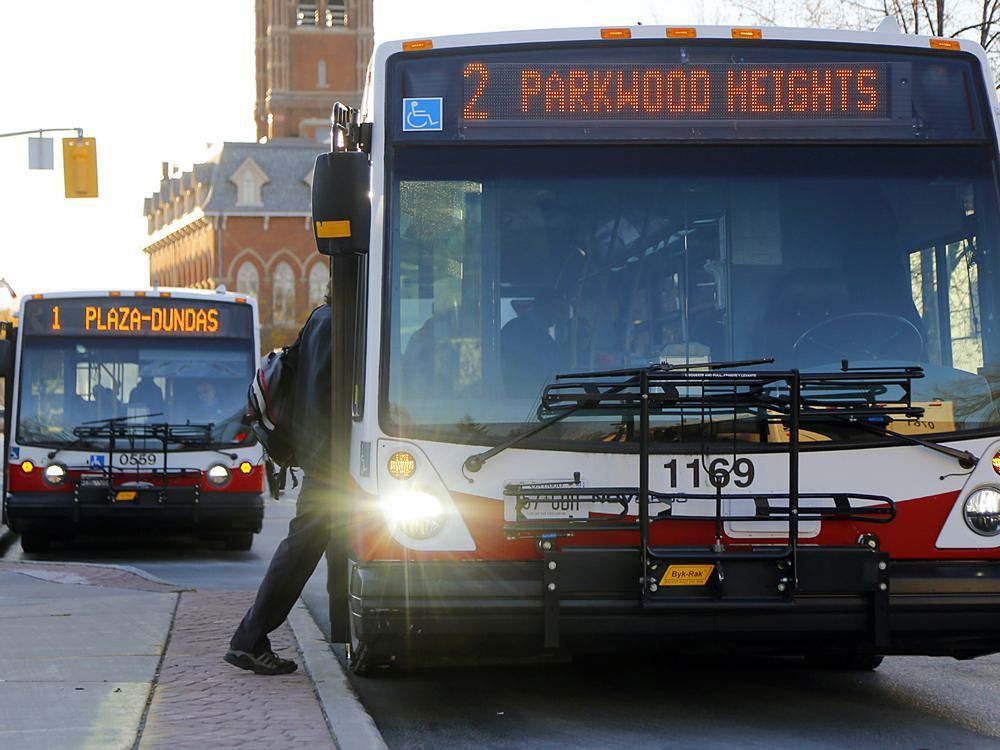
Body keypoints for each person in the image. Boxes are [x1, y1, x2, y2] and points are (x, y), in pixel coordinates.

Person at [224, 296, 333, 675]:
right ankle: (248, 639)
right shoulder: (333, 324)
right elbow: (323, 395)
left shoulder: (319, 319)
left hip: (322, 457)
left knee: (302, 548)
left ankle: (251, 638)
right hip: (331, 463)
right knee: (300, 550)